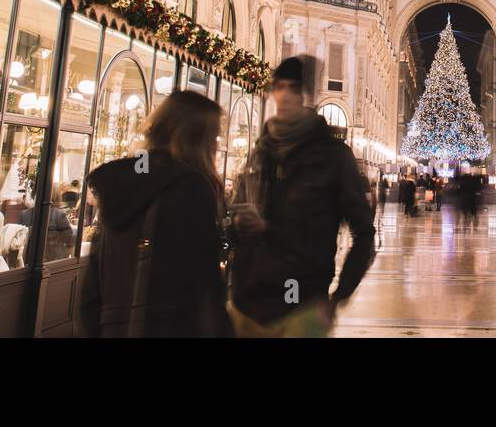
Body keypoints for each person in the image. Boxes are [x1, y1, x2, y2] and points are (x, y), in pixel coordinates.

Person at [228, 56, 375, 337]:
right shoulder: (262, 151)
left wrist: (339, 296)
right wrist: (238, 225)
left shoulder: (333, 157)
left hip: (302, 304)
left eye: (292, 89)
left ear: (305, 95)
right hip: (248, 302)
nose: (284, 95)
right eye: (278, 87)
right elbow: (234, 214)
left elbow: (364, 232)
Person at [79, 90, 229, 338]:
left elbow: (92, 288)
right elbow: (204, 285)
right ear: (195, 140)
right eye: (213, 137)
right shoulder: (190, 187)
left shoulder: (122, 182)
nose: (215, 146)